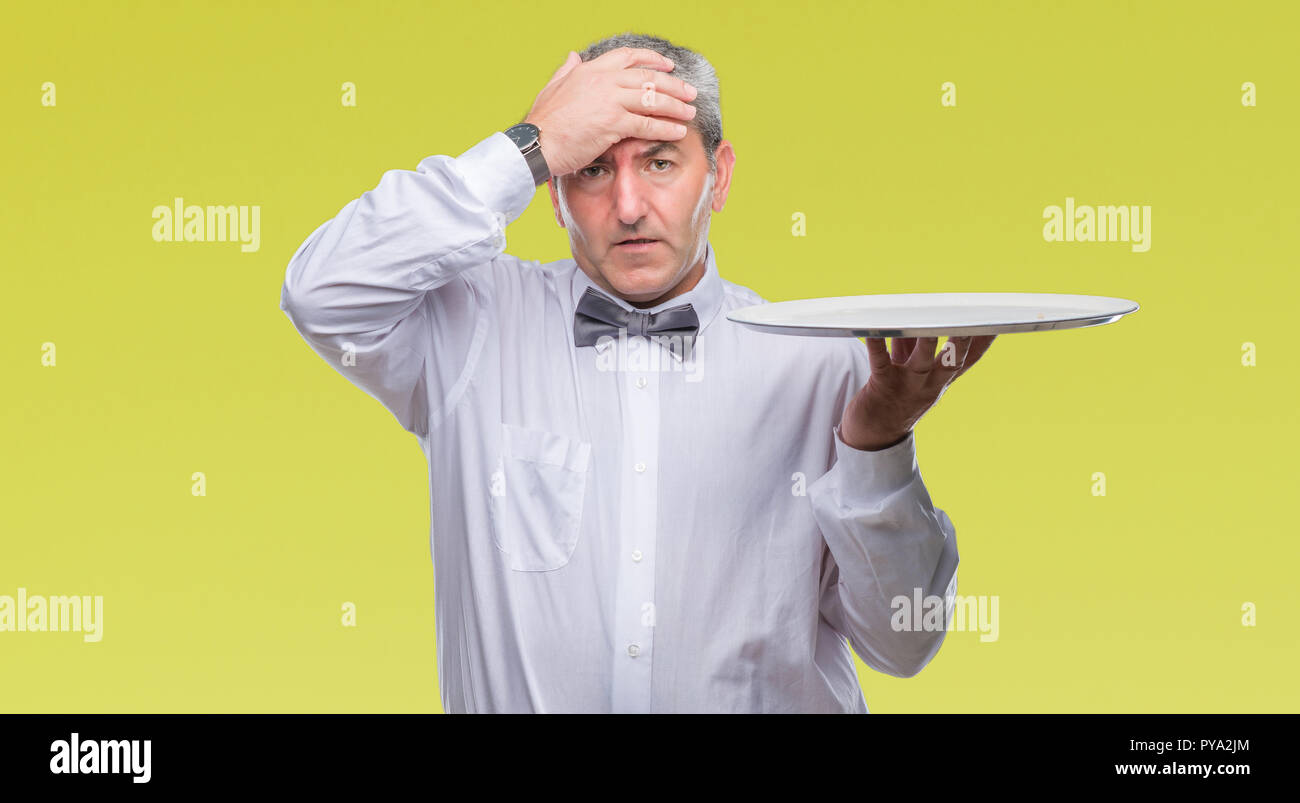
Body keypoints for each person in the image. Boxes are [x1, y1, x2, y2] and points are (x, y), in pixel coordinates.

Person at [279, 31, 995, 713]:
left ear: (717, 178)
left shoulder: (816, 359)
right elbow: (320, 293)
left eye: (659, 162)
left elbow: (906, 643)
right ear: (555, 194)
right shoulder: (471, 325)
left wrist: (879, 445)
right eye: (591, 167)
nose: (627, 207)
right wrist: (528, 146)